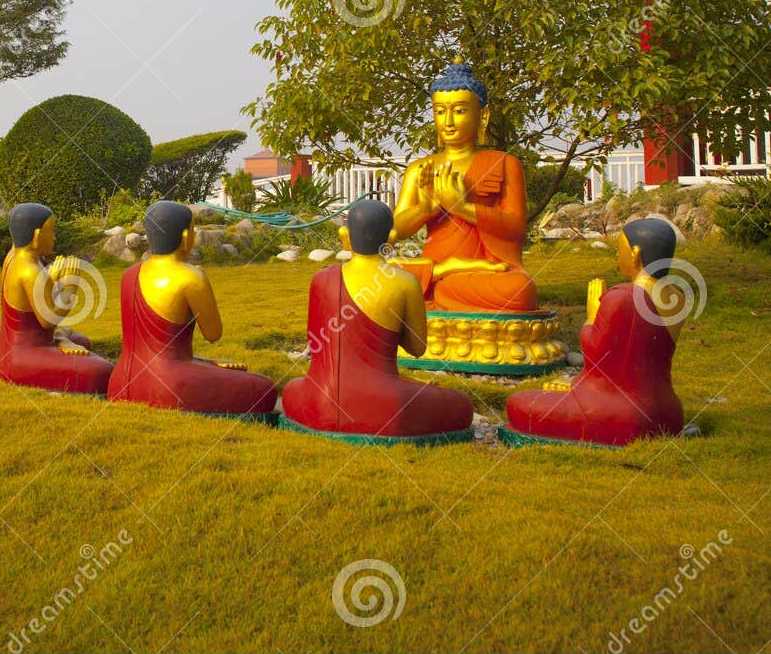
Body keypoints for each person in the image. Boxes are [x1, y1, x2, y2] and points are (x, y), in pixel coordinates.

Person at [281, 199, 475, 442]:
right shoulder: (404, 282)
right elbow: (417, 347)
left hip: (317, 400)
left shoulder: (321, 279)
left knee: (291, 389)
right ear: (392, 238)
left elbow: (315, 342)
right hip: (385, 404)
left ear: (345, 235)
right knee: (461, 404)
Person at [502, 217, 686, 447]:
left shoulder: (621, 298)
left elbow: (596, 355)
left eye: (620, 250)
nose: (617, 257)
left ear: (635, 254)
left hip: (619, 411)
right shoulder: (677, 298)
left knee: (519, 402)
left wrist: (592, 316)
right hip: (667, 410)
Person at [390, 59, 537, 311]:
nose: (448, 122)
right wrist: (424, 211)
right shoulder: (421, 168)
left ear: (483, 115)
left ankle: (441, 284)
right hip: (434, 264)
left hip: (487, 275)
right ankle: (443, 273)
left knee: (519, 291)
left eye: (459, 111)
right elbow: (396, 231)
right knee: (381, 275)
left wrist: (461, 206)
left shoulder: (503, 163)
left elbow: (515, 228)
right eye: (440, 111)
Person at [109, 201, 276, 417]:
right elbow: (213, 334)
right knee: (264, 388)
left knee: (225, 369)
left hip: (121, 381)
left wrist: (207, 363)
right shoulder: (191, 277)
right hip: (168, 385)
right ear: (186, 236)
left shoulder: (129, 275)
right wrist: (202, 288)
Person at [0, 203, 113, 395]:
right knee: (103, 372)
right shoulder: (28, 269)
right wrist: (70, 285)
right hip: (24, 354)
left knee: (82, 341)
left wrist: (51, 277)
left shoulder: (14, 257)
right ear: (37, 236)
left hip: (6, 345)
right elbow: (49, 320)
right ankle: (56, 343)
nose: (55, 237)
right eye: (52, 231)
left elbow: (36, 299)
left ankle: (59, 340)